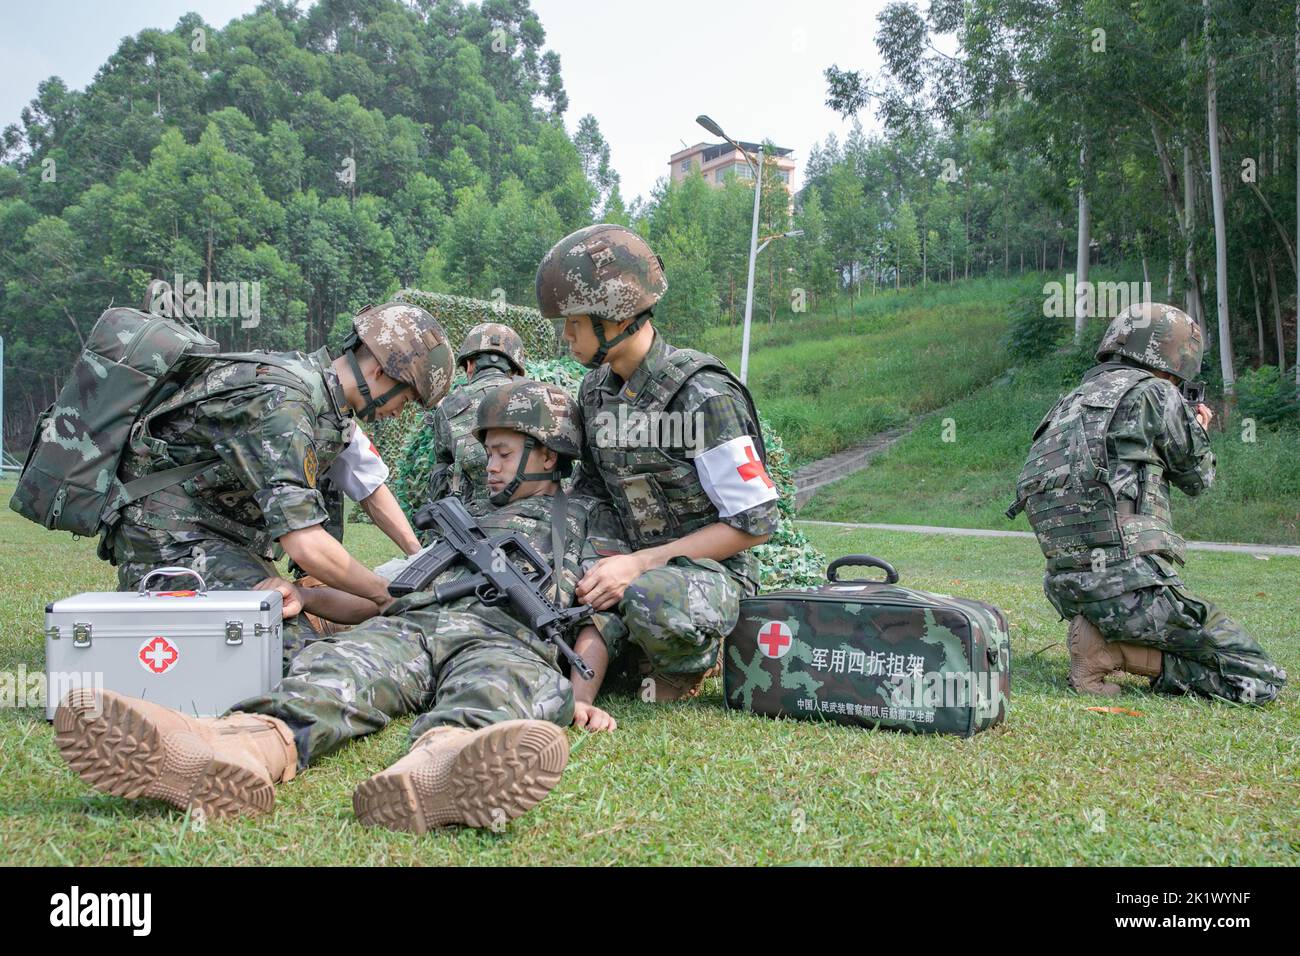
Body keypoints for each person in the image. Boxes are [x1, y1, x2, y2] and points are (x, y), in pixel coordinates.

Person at [54, 380, 626, 833]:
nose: (490, 466)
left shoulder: (591, 522)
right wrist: (305, 596)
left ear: (549, 457)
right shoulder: (469, 517)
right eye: (488, 453)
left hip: (509, 643)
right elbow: (391, 596)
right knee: (333, 671)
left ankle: (438, 767)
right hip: (412, 629)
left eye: (503, 453)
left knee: (499, 691)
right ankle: (239, 746)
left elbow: (597, 618)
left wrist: (581, 698)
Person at [105, 301, 454, 662]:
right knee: (292, 657)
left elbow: (369, 485)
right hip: (171, 537)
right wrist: (386, 594)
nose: (400, 411)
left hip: (222, 537)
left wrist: (415, 558)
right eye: (407, 398)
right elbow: (305, 543)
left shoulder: (327, 404)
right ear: (382, 371)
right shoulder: (285, 404)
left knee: (295, 617)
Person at [535, 224, 780, 701]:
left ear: (616, 317)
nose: (565, 334)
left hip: (705, 575)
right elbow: (592, 496)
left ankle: (690, 658)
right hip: (622, 562)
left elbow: (756, 523)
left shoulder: (703, 394)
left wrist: (640, 566)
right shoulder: (595, 392)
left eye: (574, 322)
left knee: (651, 600)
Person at [1008, 302, 1286, 703]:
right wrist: (1198, 427)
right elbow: (1198, 478)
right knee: (1258, 677)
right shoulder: (1155, 393)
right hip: (1131, 587)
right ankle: (1111, 650)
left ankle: (1102, 631)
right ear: (1174, 357)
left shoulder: (1069, 402)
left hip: (1067, 587)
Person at [425, 322, 527, 520]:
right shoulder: (535, 396)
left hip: (471, 522)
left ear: (470, 364)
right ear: (513, 369)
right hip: (530, 517)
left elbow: (441, 470)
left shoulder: (450, 405)